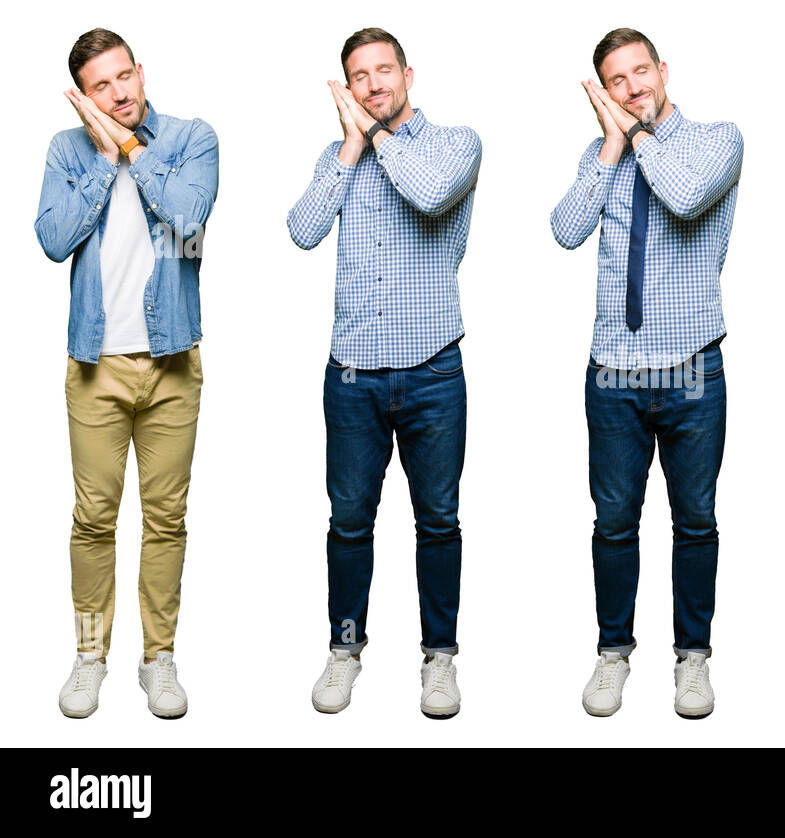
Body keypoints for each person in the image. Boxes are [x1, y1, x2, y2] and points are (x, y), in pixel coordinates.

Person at [287, 27, 481, 719]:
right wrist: (348, 145)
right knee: (348, 521)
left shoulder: (455, 144)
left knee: (438, 521)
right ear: (348, 85)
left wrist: (373, 136)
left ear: (408, 74)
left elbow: (429, 197)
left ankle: (440, 657)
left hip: (432, 372)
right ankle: (344, 650)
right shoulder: (339, 154)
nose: (373, 84)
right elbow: (304, 230)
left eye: (383, 70)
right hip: (352, 377)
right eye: (359, 76)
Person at [551, 27, 742, 718]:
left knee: (694, 521)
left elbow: (686, 197)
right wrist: (609, 146)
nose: (634, 89)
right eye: (617, 81)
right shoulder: (601, 153)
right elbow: (566, 229)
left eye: (641, 73)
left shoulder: (716, 140)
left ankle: (693, 660)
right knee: (613, 523)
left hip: (691, 368)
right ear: (605, 91)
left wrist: (634, 138)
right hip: (613, 374)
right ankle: (612, 653)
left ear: (663, 70)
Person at [37, 28, 218, 720]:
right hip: (95, 367)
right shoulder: (65, 151)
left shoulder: (191, 139)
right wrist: (99, 159)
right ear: (84, 97)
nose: (119, 94)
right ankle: (89, 656)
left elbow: (189, 221)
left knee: (166, 518)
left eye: (124, 77)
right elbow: (52, 241)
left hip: (174, 362)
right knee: (94, 518)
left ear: (141, 70)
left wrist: (132, 152)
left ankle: (158, 658)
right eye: (102, 87)